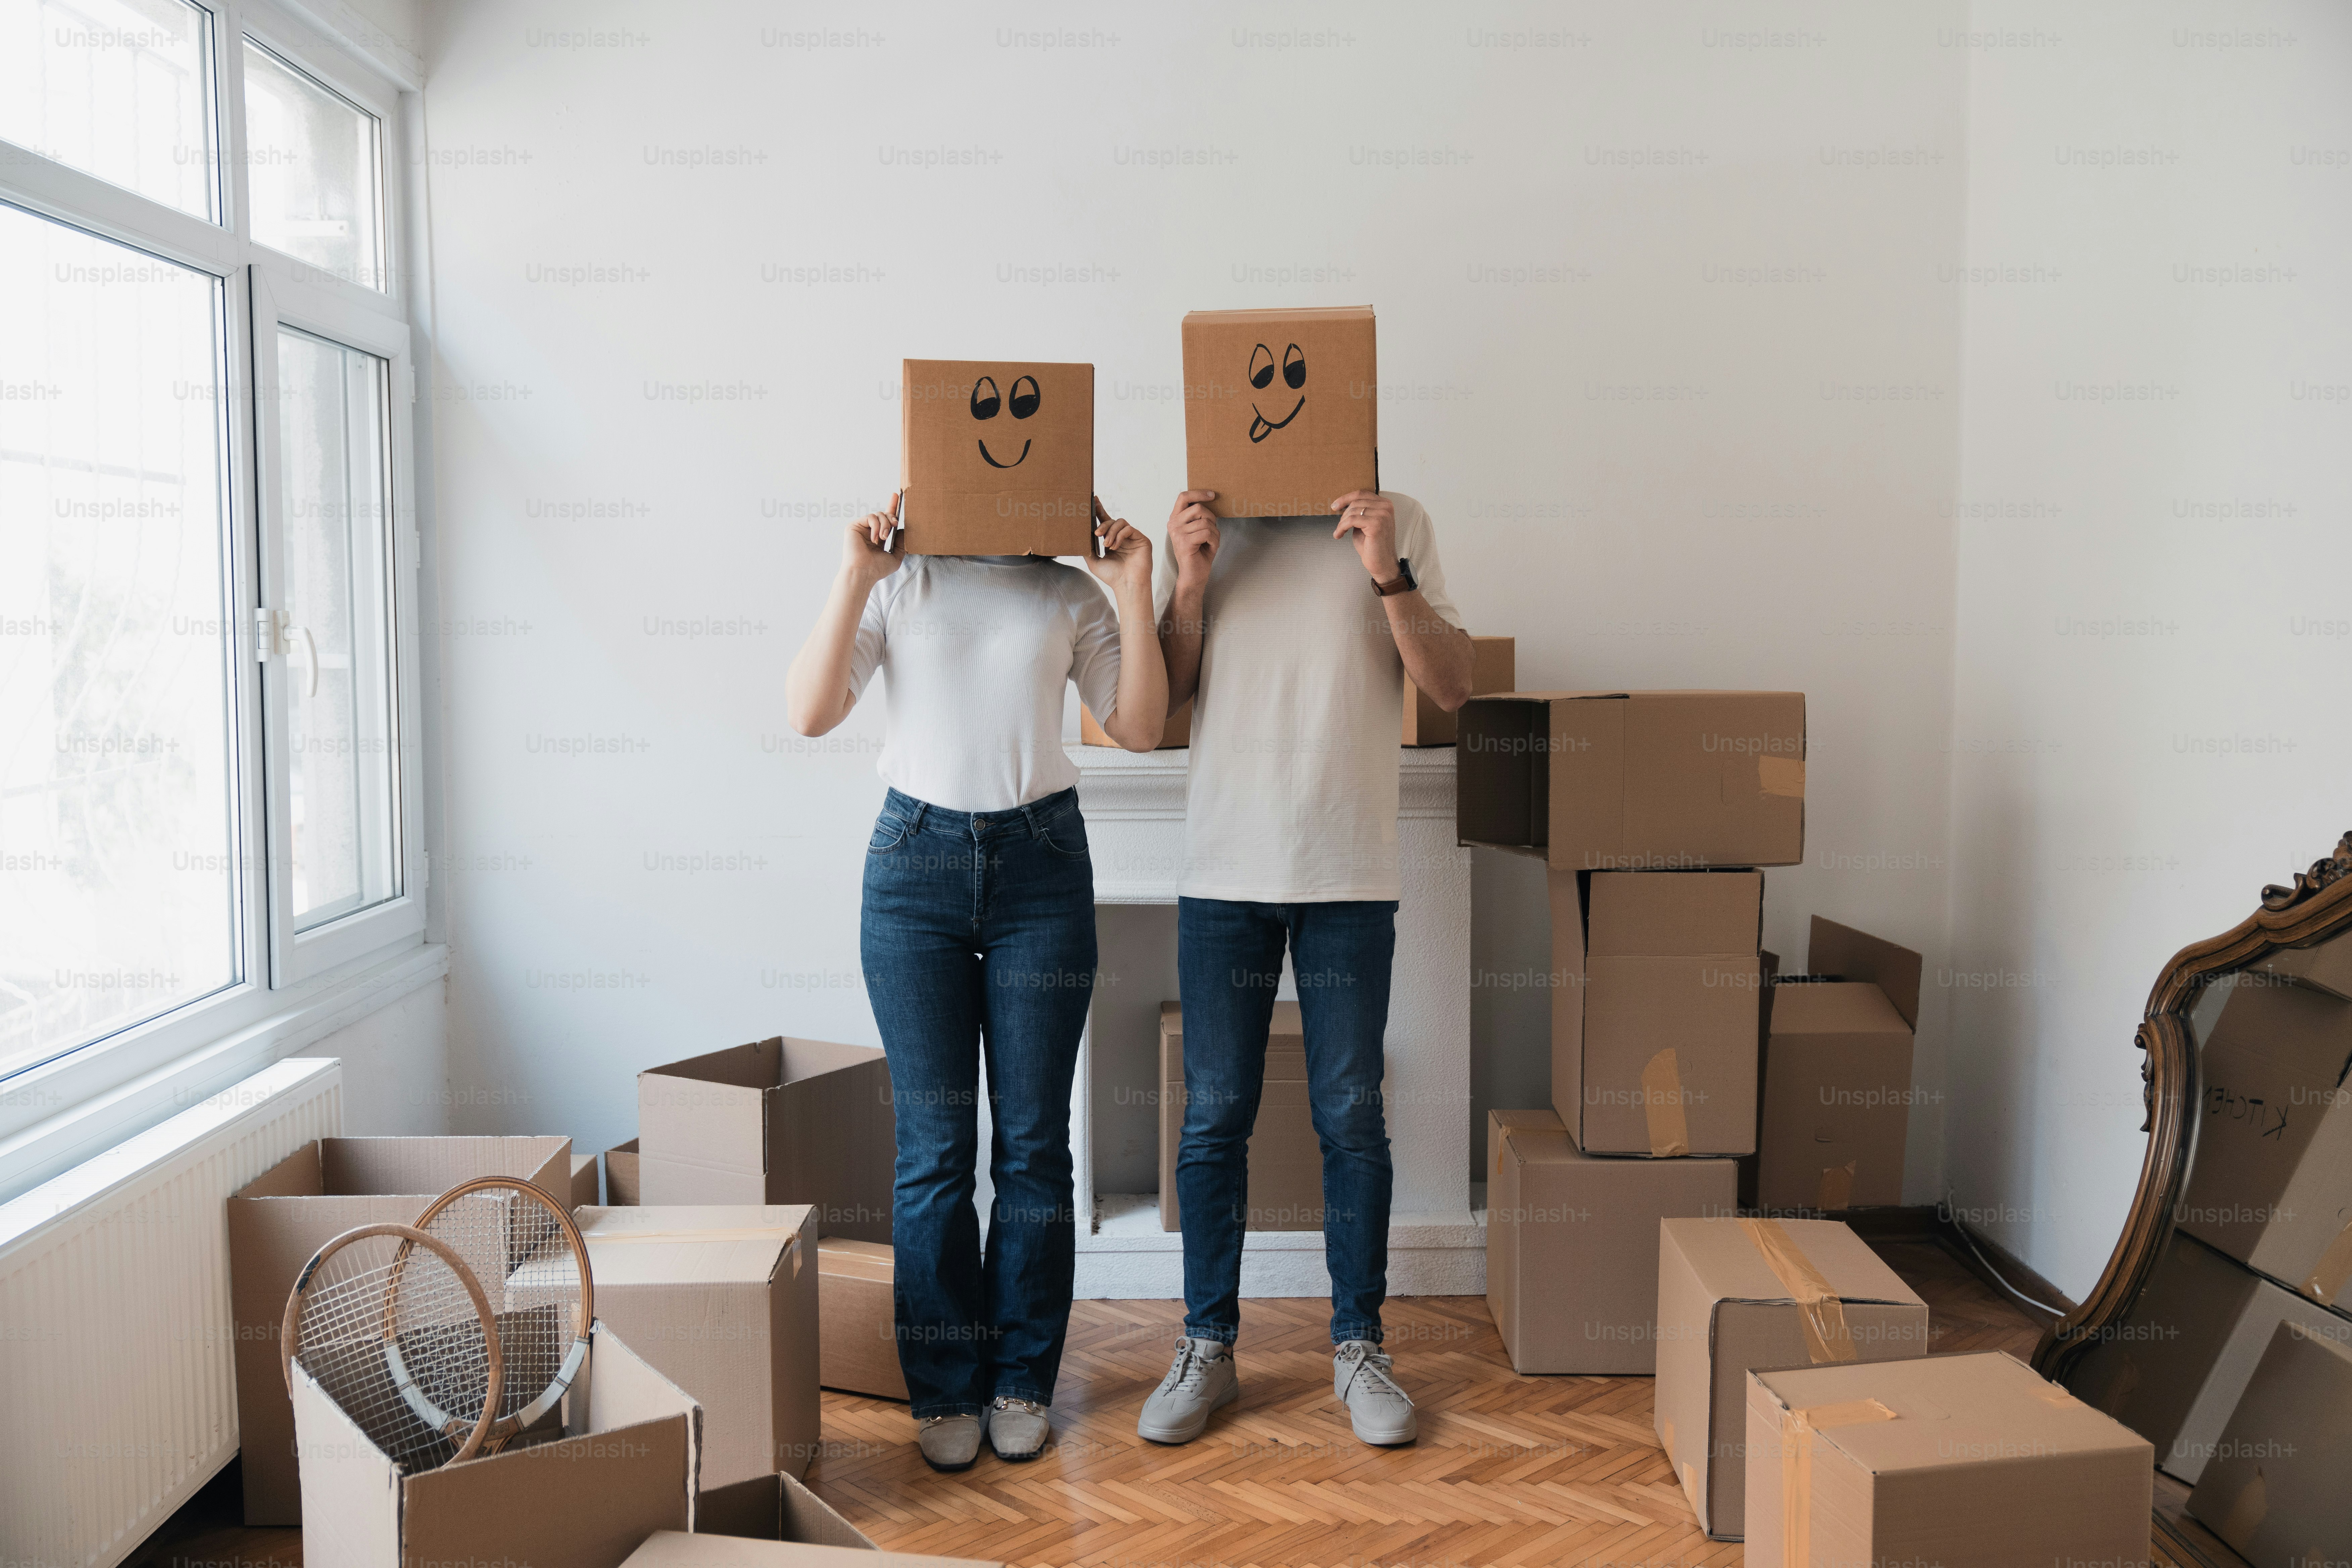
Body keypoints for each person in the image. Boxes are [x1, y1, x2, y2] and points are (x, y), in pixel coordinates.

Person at [786, 493, 1166, 1471]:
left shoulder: (1066, 591)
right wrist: (856, 572)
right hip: (912, 870)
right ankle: (947, 1386)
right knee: (936, 1150)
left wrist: (1133, 586)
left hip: (1043, 866)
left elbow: (1140, 727)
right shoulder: (900, 581)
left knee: (1035, 1146)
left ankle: (1021, 1379)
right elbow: (810, 713)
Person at [1138, 487, 1473, 1447]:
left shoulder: (1398, 521)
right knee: (1213, 1120)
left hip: (1348, 875)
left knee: (1351, 1119)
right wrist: (1189, 582)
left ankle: (1359, 1349)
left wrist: (1387, 574)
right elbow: (1160, 701)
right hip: (1224, 873)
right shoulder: (1204, 521)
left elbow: (1453, 687)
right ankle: (1208, 1346)